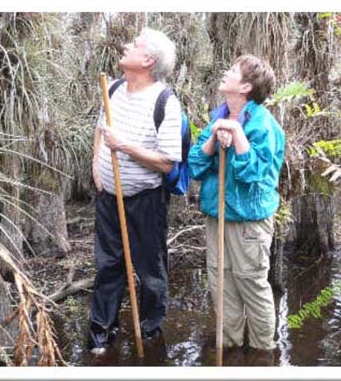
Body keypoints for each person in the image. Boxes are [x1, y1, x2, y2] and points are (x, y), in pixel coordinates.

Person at [89, 28, 182, 353]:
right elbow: (100, 130)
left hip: (146, 200)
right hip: (108, 197)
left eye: (135, 44)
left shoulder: (165, 102)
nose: (127, 46)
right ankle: (101, 333)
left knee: (150, 270)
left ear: (148, 60)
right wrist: (96, 167)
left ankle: (150, 333)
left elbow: (167, 163)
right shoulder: (113, 88)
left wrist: (124, 146)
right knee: (108, 265)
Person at [189, 54, 285, 352]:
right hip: (217, 216)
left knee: (251, 284)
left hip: (248, 221)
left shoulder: (262, 124)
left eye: (232, 70)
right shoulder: (219, 116)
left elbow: (254, 174)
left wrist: (238, 133)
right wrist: (214, 137)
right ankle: (229, 349)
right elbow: (195, 165)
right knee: (221, 285)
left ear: (245, 87)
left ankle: (261, 354)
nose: (225, 72)